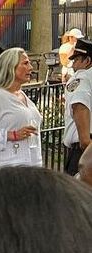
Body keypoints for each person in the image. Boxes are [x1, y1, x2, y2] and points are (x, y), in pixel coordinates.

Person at [0, 48, 42, 168]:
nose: (31, 68)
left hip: (30, 166)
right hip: (6, 169)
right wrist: (12, 135)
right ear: (10, 67)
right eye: (25, 63)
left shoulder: (22, 95)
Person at [64, 38, 92, 176]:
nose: (73, 64)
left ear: (87, 61)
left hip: (84, 152)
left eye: (76, 60)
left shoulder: (81, 78)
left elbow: (80, 106)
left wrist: (86, 144)